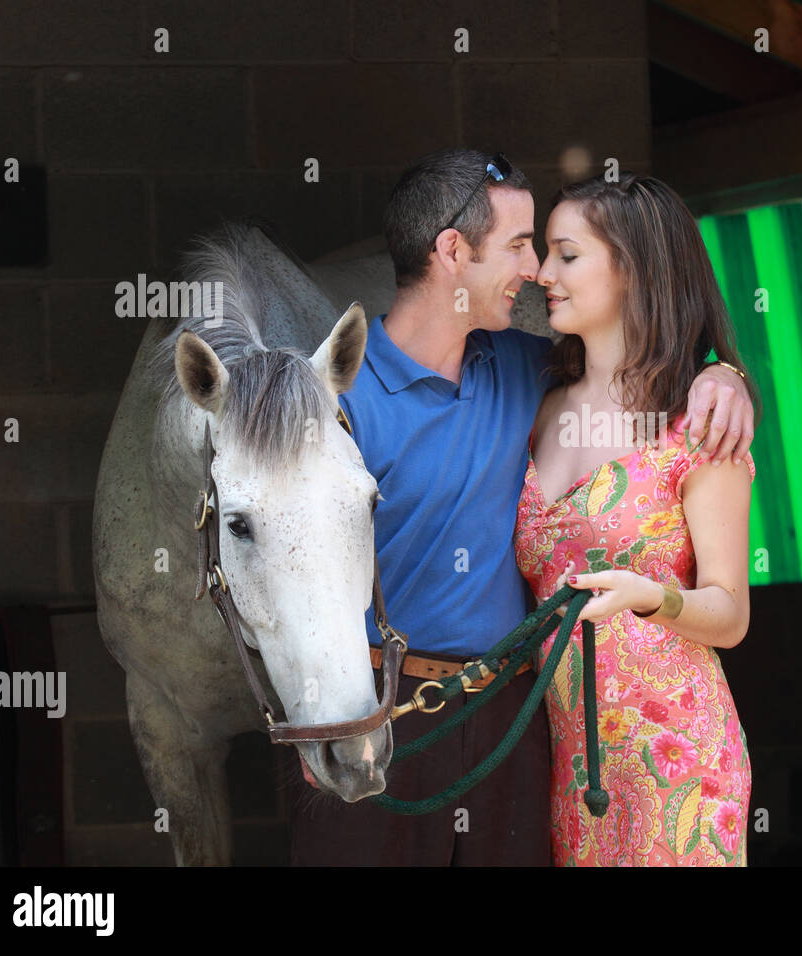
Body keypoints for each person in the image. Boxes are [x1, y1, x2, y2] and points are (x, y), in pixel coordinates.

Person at [288, 149, 756, 866]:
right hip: (393, 715)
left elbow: (644, 365)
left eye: (558, 252)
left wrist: (727, 374)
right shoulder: (338, 395)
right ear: (452, 251)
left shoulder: (524, 369)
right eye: (523, 245)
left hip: (531, 724)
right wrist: (315, 710)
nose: (537, 269)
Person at [513, 173, 758, 866]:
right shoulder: (537, 404)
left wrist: (649, 597)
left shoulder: (699, 421)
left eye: (566, 254)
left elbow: (731, 613)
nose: (541, 273)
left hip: (675, 757)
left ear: (631, 268)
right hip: (569, 763)